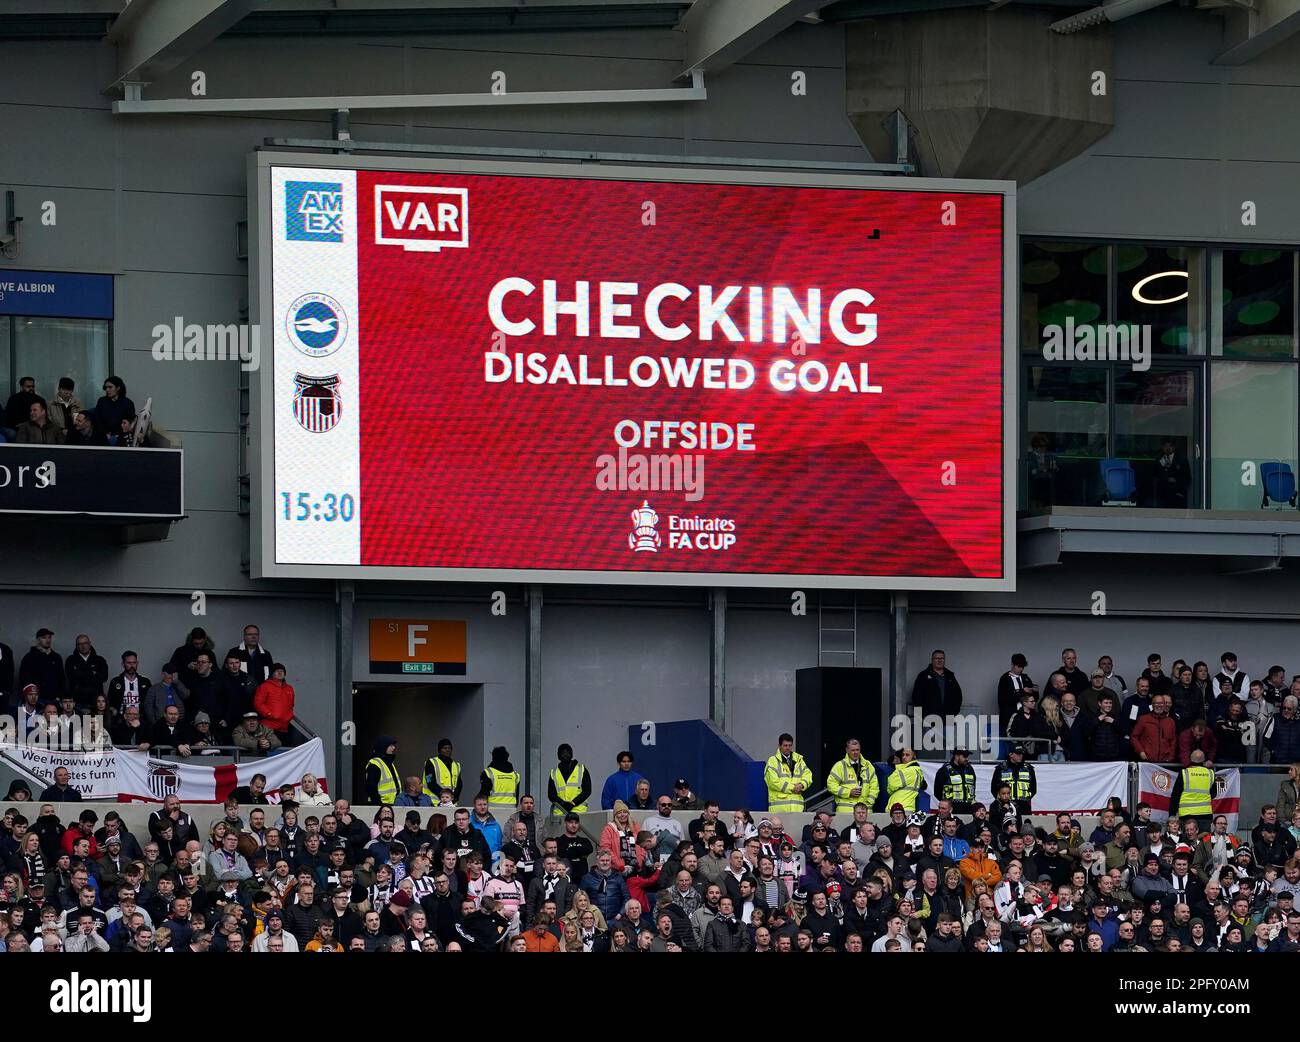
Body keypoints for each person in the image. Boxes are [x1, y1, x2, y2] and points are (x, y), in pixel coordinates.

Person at [826, 738, 879, 813]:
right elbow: (830, 785)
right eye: (853, 750)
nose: (855, 752)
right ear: (847, 750)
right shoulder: (839, 766)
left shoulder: (868, 766)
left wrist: (869, 802)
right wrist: (848, 792)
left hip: (864, 810)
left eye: (857, 750)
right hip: (846, 810)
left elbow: (874, 787)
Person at [764, 732, 813, 813]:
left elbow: (808, 775)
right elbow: (773, 782)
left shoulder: (799, 760)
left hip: (797, 808)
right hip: (779, 809)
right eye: (785, 745)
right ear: (779, 746)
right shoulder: (772, 761)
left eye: (790, 745)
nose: (788, 748)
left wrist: (802, 785)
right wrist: (793, 788)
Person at [912, 649, 963, 720]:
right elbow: (916, 697)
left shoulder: (950, 676)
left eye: (942, 658)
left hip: (948, 719)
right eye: (937, 658)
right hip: (929, 719)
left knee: (948, 731)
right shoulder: (923, 676)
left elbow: (958, 695)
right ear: (932, 660)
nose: (939, 660)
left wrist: (953, 712)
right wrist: (923, 716)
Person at [253, 663, 295, 741]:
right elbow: (258, 704)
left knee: (284, 750)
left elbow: (291, 705)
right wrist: (269, 714)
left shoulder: (289, 688)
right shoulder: (264, 686)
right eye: (277, 671)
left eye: (282, 671)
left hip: (285, 727)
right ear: (272, 673)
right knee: (268, 750)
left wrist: (289, 716)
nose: (280, 673)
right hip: (269, 726)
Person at [1131, 693, 1178, 762]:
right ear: (1152, 705)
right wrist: (1140, 751)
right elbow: (1134, 737)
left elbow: (1173, 741)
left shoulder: (1170, 722)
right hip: (1147, 760)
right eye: (1156, 703)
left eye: (1161, 703)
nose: (1159, 705)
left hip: (1165, 762)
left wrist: (1171, 756)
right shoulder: (1143, 719)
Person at [991, 744, 1036, 815]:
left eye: (1022, 753)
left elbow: (1033, 789)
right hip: (1005, 805)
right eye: (1018, 753)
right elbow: (994, 789)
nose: (1020, 755)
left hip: (1024, 806)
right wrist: (1003, 802)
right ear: (1011, 754)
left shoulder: (1029, 768)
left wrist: (1025, 799)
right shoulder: (1000, 768)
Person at [548, 744, 590, 817]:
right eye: (562, 752)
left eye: (567, 752)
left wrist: (573, 803)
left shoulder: (581, 769)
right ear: (558, 756)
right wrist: (562, 803)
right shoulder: (554, 772)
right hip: (560, 814)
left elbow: (587, 790)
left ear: (572, 754)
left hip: (579, 813)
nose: (565, 754)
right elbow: (551, 795)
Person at [93, 375, 135, 444]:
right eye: (106, 387)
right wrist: (105, 433)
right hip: (103, 435)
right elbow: (97, 420)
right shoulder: (102, 401)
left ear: (118, 388)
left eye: (110, 387)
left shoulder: (127, 403)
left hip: (121, 436)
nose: (107, 390)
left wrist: (119, 434)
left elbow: (129, 421)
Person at [422, 738, 463, 804]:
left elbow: (459, 784)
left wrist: (454, 797)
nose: (447, 750)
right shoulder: (431, 762)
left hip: (451, 803)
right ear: (439, 750)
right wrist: (445, 796)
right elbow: (430, 783)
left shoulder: (456, 765)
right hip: (435, 802)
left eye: (449, 748)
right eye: (445, 748)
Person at [886, 748, 927, 813]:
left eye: (907, 755)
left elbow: (891, 785)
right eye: (903, 755)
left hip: (902, 807)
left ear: (914, 756)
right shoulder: (913, 769)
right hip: (904, 807)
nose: (904, 757)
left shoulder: (909, 770)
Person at [479, 746, 519, 812]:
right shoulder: (515, 775)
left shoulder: (488, 773)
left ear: (493, 757)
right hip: (511, 809)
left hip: (492, 809)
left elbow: (483, 794)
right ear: (507, 757)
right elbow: (516, 795)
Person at [365, 736, 401, 805]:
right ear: (383, 747)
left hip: (392, 803)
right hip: (381, 804)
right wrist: (379, 804)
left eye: (393, 745)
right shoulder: (375, 763)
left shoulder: (389, 762)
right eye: (391, 745)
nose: (393, 748)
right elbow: (371, 788)